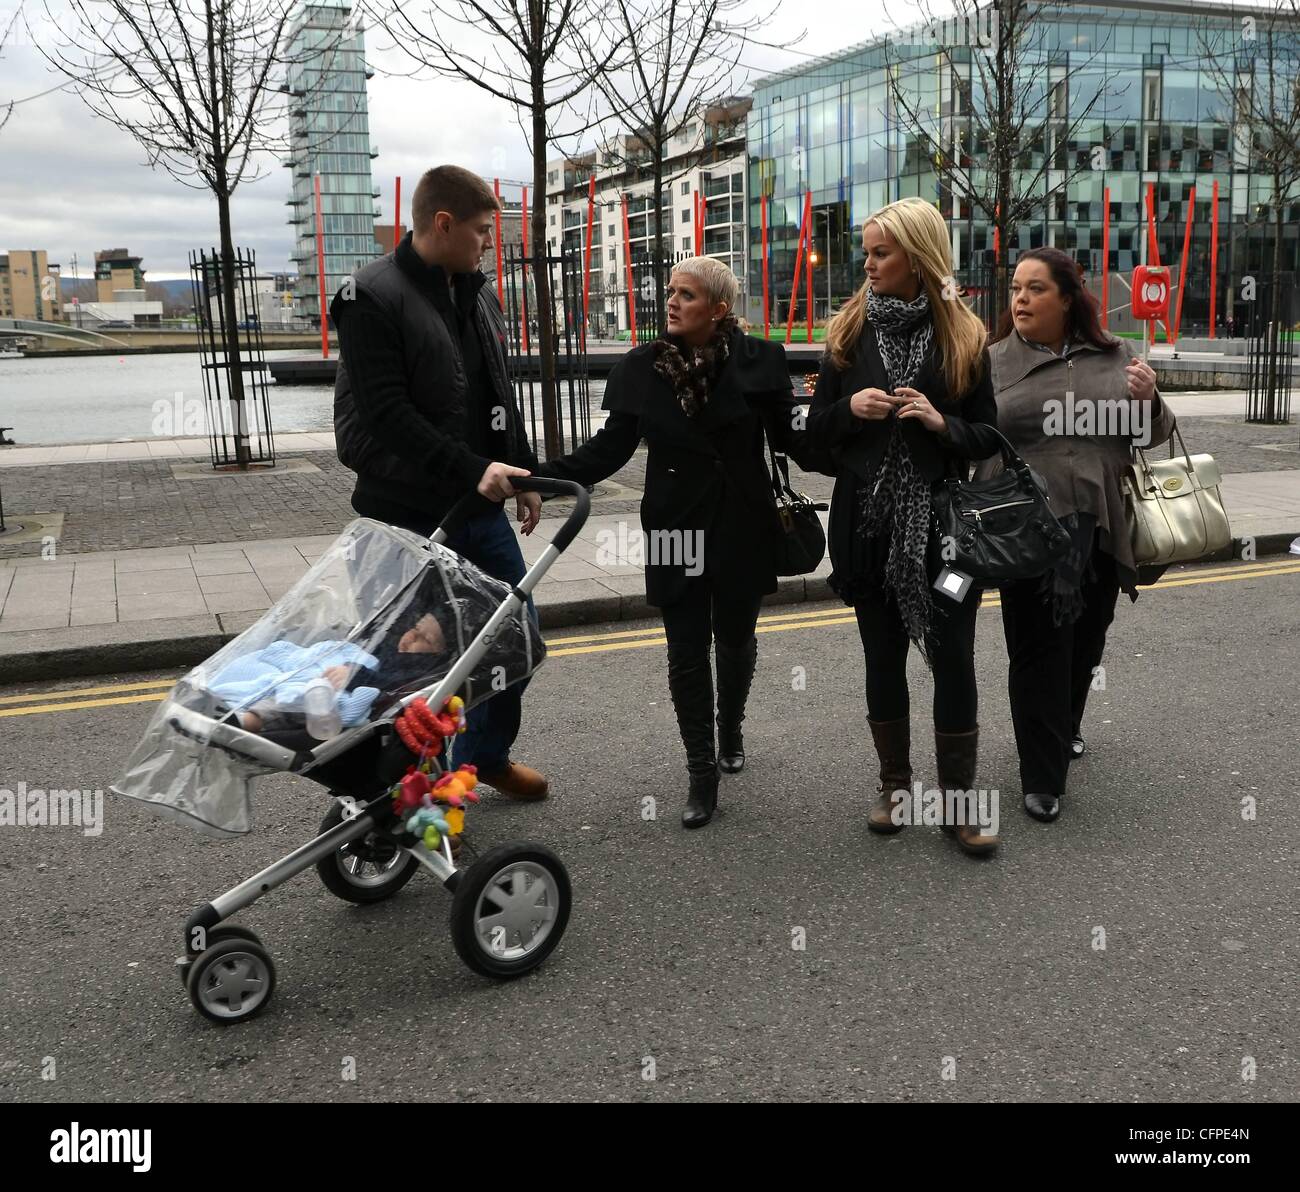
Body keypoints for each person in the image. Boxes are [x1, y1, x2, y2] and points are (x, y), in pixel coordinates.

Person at [536, 257, 818, 828]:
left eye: (685, 295)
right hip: (674, 528)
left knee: (735, 638)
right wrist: (534, 478)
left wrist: (848, 418)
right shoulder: (642, 368)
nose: (670, 302)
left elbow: (797, 441)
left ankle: (730, 727)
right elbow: (606, 452)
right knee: (686, 650)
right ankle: (700, 773)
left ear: (718, 309)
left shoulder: (760, 361)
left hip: (744, 524)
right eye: (669, 291)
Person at [331, 164, 548, 801]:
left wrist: (523, 468)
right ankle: (406, 792)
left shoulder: (479, 294)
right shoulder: (368, 297)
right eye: (482, 231)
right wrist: (475, 469)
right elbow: (386, 416)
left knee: (513, 636)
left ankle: (481, 761)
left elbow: (495, 396)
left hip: (477, 508)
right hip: (402, 514)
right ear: (444, 223)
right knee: (409, 659)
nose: (489, 243)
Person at [804, 197, 1001, 855]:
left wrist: (944, 424)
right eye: (866, 251)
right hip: (866, 526)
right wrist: (849, 410)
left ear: (918, 257)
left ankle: (958, 804)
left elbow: (988, 437)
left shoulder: (966, 337)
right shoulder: (848, 335)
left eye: (880, 252)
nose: (868, 263)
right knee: (882, 658)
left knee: (955, 663)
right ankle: (895, 787)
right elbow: (810, 439)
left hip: (945, 531)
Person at [978, 246, 1174, 823]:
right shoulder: (992, 362)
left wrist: (1149, 399)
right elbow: (974, 436)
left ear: (1067, 298)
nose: (1020, 299)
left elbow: (1153, 433)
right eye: (1016, 288)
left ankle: (1065, 723)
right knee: (1037, 648)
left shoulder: (1115, 358)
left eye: (1035, 289)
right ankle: (1041, 776)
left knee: (1085, 642)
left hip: (1096, 525)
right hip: (1022, 529)